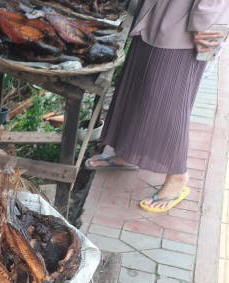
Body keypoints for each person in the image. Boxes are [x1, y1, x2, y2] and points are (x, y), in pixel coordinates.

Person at [85, 0, 229, 213]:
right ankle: (129, 153)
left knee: (170, 104)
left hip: (187, 26)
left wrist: (205, 24)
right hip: (157, 16)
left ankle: (177, 175)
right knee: (139, 88)